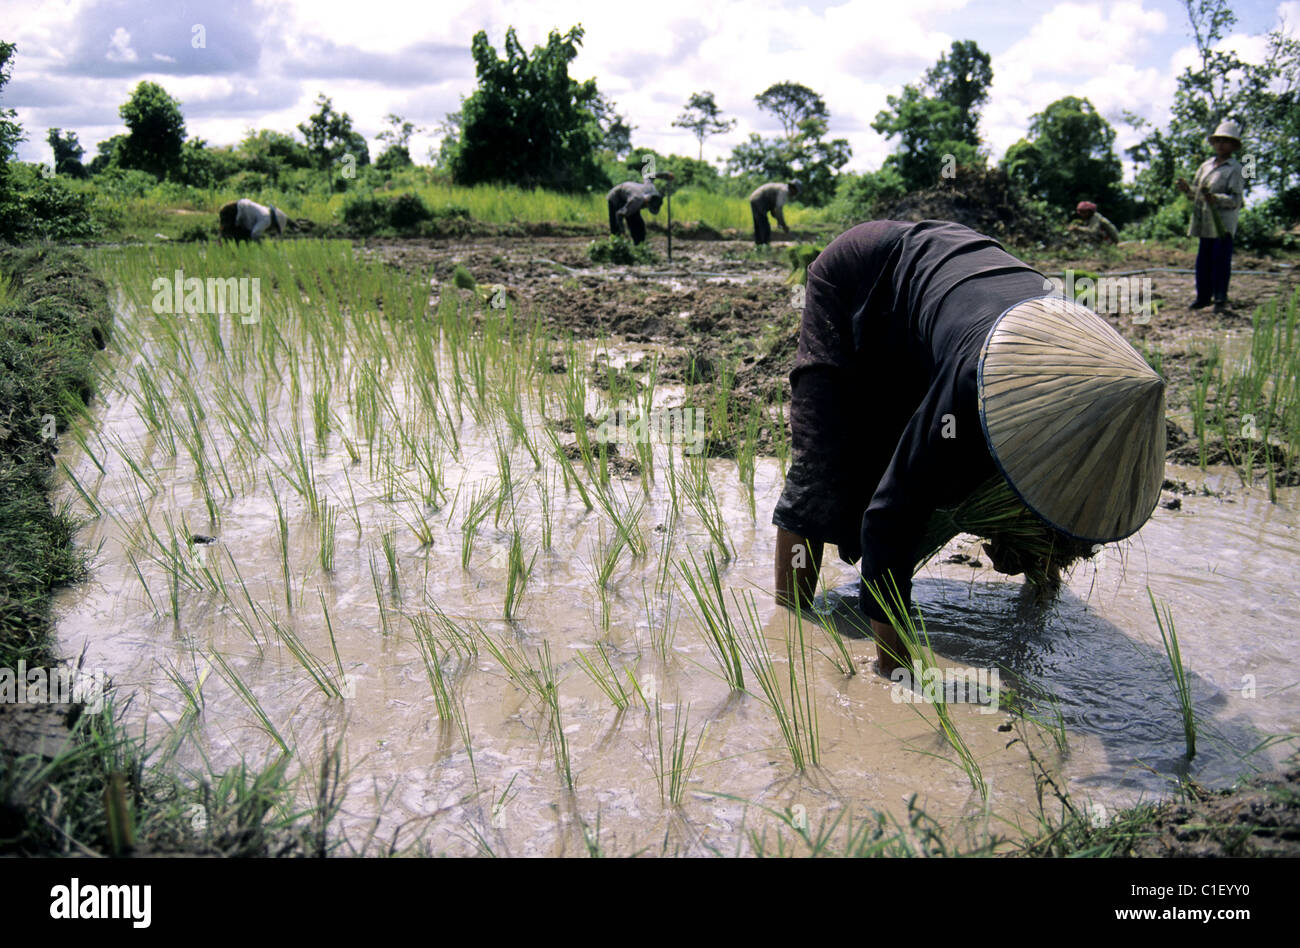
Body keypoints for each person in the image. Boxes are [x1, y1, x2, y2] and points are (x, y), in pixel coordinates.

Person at [771, 220, 1166, 676]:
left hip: (955, 284)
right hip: (861, 274)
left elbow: (1060, 483)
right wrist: (894, 671)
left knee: (948, 460)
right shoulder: (974, 380)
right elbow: (888, 518)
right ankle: (789, 626)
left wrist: (1043, 573)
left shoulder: (1098, 385)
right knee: (824, 462)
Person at [1177, 120, 1246, 312]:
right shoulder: (1206, 166)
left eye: (1226, 141)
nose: (1221, 145)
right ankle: (1203, 297)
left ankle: (1220, 298)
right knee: (1204, 260)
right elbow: (1197, 193)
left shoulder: (1236, 169)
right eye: (1218, 141)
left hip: (1222, 223)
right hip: (1205, 221)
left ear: (1233, 146)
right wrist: (1187, 189)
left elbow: (1235, 200)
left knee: (1220, 260)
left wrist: (1215, 198)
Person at [607, 181, 663, 245]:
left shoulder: (651, 189)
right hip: (616, 197)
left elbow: (649, 177)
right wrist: (622, 230)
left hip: (629, 195)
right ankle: (616, 246)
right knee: (616, 228)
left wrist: (665, 175)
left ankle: (639, 245)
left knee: (639, 225)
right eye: (648, 206)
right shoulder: (636, 201)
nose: (646, 208)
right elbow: (619, 215)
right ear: (647, 201)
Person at [750, 179, 800, 246]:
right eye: (796, 192)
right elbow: (779, 209)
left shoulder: (782, 188)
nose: (795, 194)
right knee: (764, 226)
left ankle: (759, 245)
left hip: (754, 198)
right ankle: (765, 245)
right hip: (759, 199)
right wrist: (783, 224)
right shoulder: (784, 191)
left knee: (759, 225)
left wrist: (779, 221)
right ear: (793, 188)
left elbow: (773, 209)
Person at [218, 198, 288, 242]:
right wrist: (260, 246)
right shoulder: (267, 219)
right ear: (275, 223)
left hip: (236, 207)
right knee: (227, 238)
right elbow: (254, 234)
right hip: (234, 212)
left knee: (239, 238)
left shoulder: (266, 211)